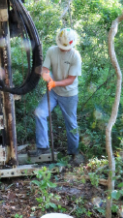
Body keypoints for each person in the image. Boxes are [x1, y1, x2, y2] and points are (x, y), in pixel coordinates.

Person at [30, 28, 83, 162]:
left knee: (71, 123)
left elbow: (71, 79)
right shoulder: (52, 51)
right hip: (54, 93)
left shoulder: (75, 56)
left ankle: (73, 153)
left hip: (69, 95)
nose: (64, 50)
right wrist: (45, 74)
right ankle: (43, 148)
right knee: (39, 113)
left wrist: (55, 83)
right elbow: (46, 68)